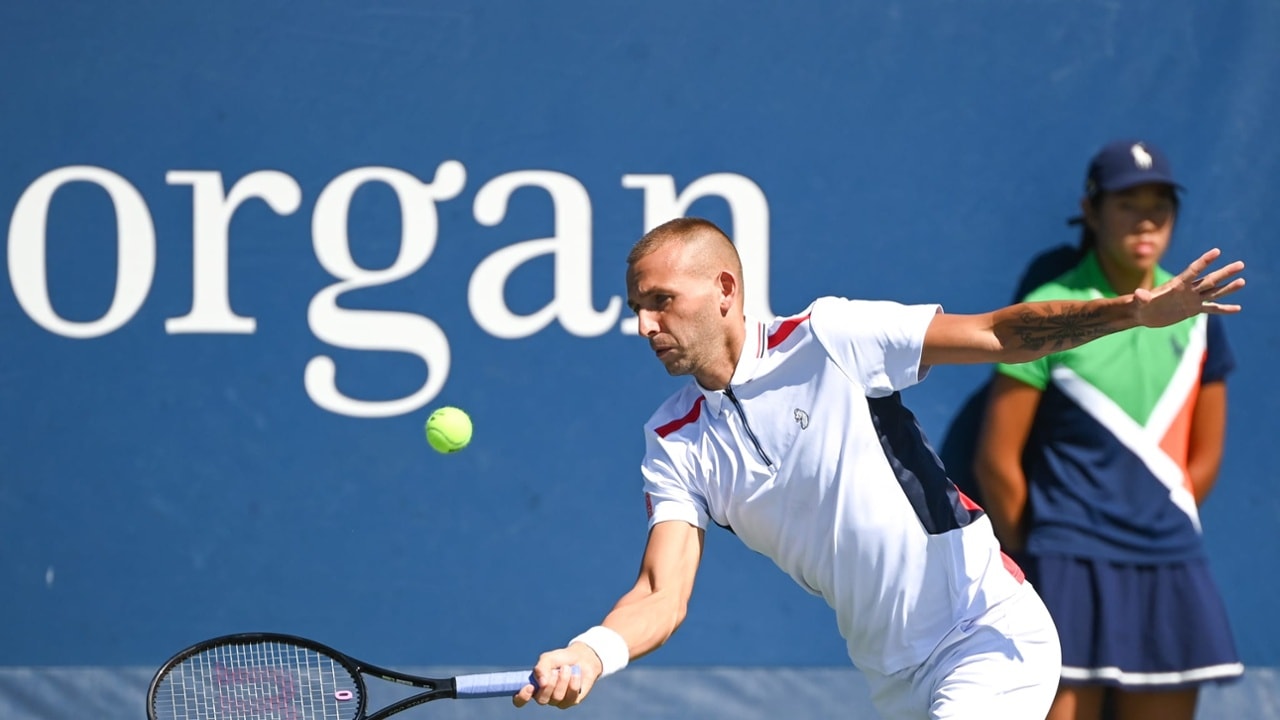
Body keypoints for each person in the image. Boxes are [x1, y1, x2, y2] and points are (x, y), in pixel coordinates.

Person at [513, 215, 1244, 719]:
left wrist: (1129, 313)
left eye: (661, 302)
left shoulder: (830, 336)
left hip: (984, 631)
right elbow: (660, 593)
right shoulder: (674, 439)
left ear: (726, 290)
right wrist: (591, 653)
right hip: (892, 676)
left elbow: (995, 332)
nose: (645, 325)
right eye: (638, 307)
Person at [972, 139, 1246, 720]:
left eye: (1159, 204)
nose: (1146, 219)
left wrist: (1159, 517)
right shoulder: (1050, 309)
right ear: (1092, 211)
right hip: (1064, 560)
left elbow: (1206, 455)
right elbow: (998, 461)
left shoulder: (1200, 315)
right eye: (1127, 203)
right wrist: (1040, 554)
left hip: (1169, 558)